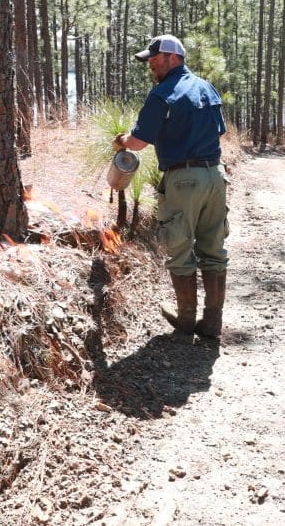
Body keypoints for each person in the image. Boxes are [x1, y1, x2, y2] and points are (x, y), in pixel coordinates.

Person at [113, 34, 228, 342]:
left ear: (174, 58)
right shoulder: (207, 88)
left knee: (179, 246)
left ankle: (187, 320)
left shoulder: (162, 93)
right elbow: (220, 131)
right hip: (216, 176)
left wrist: (122, 140)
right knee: (214, 249)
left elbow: (138, 142)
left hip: (184, 179)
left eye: (155, 58)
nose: (150, 63)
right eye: (148, 59)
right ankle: (213, 323)